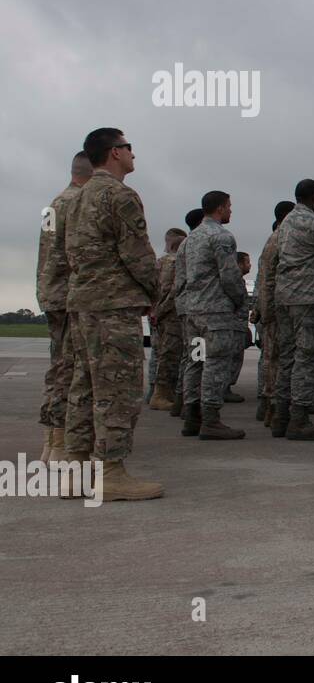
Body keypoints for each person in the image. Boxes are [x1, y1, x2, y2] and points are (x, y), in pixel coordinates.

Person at [60, 128, 162, 500]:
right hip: (113, 305)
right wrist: (154, 293)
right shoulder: (120, 195)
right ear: (114, 153)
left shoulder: (78, 196)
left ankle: (76, 471)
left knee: (84, 387)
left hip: (83, 302)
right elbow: (137, 254)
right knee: (118, 390)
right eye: (128, 147)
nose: (133, 152)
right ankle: (111, 473)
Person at [36, 151, 92, 462]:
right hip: (71, 297)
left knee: (59, 368)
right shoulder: (78, 203)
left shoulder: (53, 205)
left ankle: (52, 441)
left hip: (52, 294)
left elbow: (47, 254)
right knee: (70, 373)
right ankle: (59, 444)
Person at [177, 191, 246, 440]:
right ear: (219, 208)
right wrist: (240, 301)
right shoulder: (221, 236)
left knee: (195, 363)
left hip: (193, 311)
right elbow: (230, 275)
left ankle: (192, 416)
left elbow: (180, 278)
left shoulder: (190, 239)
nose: (230, 210)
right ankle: (211, 420)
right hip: (215, 312)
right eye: (229, 206)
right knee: (216, 364)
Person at [275, 180, 314, 441]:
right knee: (309, 358)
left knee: (288, 356)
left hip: (285, 297)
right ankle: (299, 419)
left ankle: (281, 416)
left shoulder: (285, 223)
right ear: (313, 197)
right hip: (309, 298)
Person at [250, 200, 295, 423]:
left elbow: (262, 281)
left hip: (269, 306)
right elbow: (268, 280)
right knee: (279, 358)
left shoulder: (272, 240)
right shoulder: (283, 240)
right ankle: (275, 408)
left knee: (270, 358)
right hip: (278, 308)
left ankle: (267, 406)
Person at [167, 208, 204, 419]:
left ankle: (182, 401)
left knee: (190, 356)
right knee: (198, 358)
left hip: (186, 308)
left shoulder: (184, 246)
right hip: (199, 308)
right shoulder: (200, 242)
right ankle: (190, 406)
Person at [147, 227, 188, 411]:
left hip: (158, 314)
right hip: (171, 315)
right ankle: (160, 394)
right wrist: (162, 311)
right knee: (170, 356)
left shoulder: (158, 262)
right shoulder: (177, 263)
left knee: (159, 353)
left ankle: (158, 391)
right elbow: (174, 291)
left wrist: (154, 311)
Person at [223, 251, 253, 401]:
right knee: (233, 357)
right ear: (239, 264)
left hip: (236, 324)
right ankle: (224, 388)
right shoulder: (234, 282)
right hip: (234, 325)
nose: (250, 265)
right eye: (247, 262)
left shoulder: (237, 280)